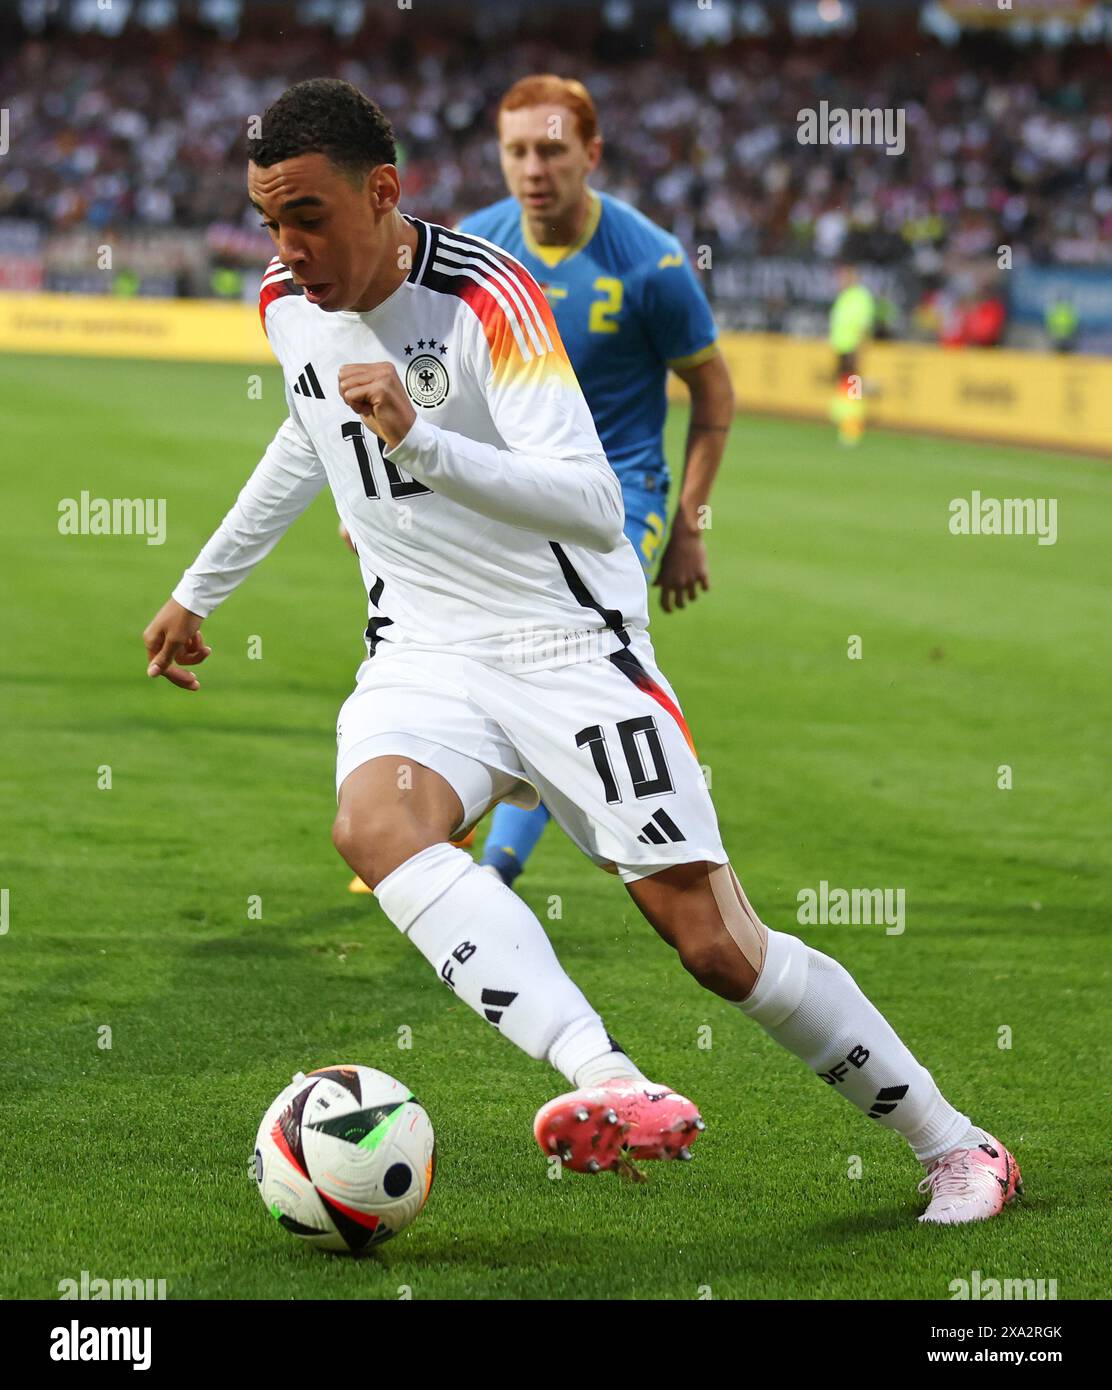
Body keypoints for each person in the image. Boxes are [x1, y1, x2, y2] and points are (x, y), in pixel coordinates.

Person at [143, 79, 1022, 1218]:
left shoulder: (486, 297)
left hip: (563, 642)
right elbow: (306, 432)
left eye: (307, 214)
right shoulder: (282, 299)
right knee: (373, 826)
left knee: (713, 946)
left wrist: (418, 443)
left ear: (381, 192)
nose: (286, 245)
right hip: (420, 647)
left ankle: (954, 1144)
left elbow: (593, 504)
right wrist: (198, 588)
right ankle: (605, 1078)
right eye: (268, 219)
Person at [828, 263, 875, 446]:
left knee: (853, 385)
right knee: (844, 384)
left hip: (852, 348)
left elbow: (864, 325)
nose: (841, 281)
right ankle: (843, 419)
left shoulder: (860, 297)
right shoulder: (845, 297)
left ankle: (853, 425)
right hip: (841, 347)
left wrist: (860, 348)